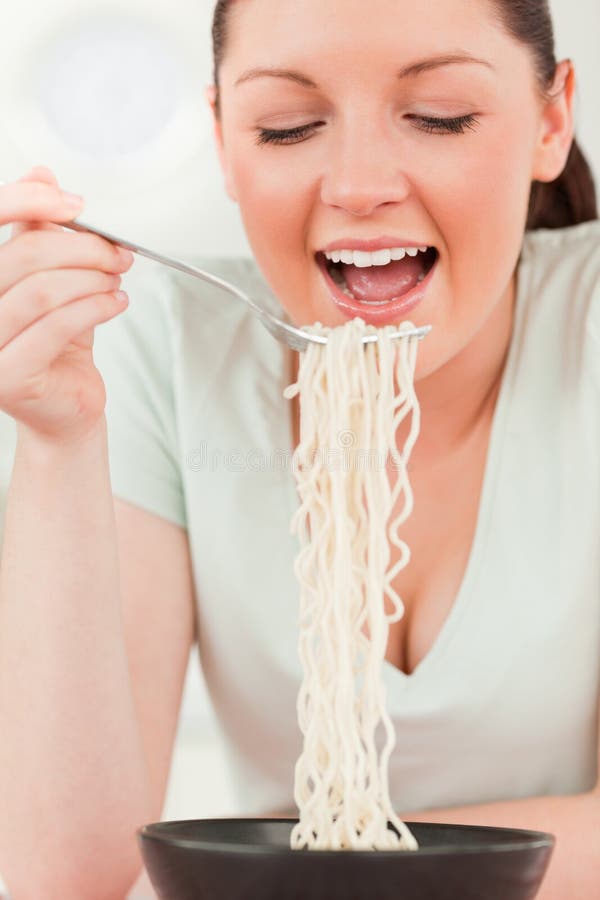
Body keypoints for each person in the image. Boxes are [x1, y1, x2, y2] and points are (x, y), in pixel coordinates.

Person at [0, 0, 599, 896]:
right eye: (288, 127)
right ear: (223, 139)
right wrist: (57, 438)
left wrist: (312, 862)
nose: (359, 185)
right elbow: (60, 870)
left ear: (550, 122)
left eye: (439, 116)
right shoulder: (154, 343)